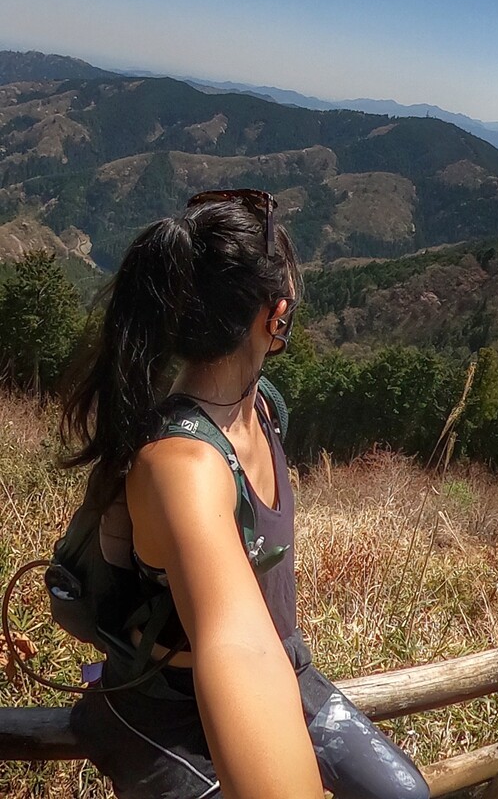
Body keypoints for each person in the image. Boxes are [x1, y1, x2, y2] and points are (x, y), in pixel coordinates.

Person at [61, 189, 430, 799]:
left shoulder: (261, 408)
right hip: (165, 709)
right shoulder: (183, 465)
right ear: (275, 315)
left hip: (284, 660)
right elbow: (236, 645)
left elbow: (259, 647)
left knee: (403, 794)